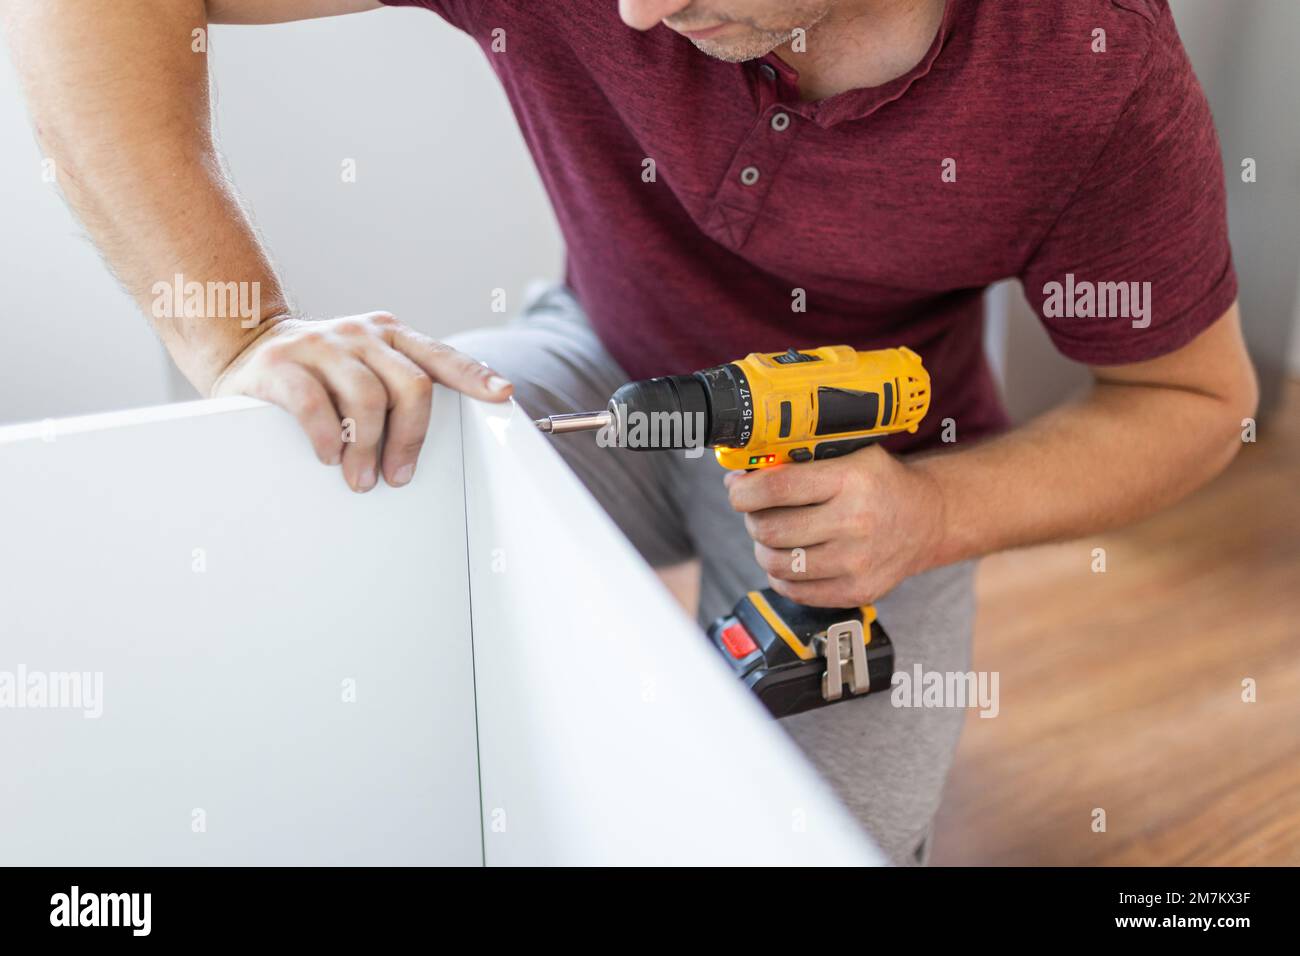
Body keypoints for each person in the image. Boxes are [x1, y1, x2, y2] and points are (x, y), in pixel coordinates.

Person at [1, 0, 1257, 864]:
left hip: (873, 470)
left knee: (797, 841)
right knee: (313, 463)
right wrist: (236, 332)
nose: (641, 13)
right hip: (599, 355)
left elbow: (1194, 405)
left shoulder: (1089, 70)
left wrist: (932, 515)